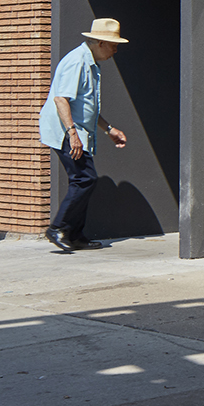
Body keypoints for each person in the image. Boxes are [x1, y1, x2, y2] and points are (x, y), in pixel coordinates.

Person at [38, 14, 128, 250]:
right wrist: (72, 134)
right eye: (113, 45)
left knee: (83, 180)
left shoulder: (91, 63)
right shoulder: (77, 61)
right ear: (100, 43)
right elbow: (61, 100)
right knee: (84, 179)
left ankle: (74, 235)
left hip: (74, 129)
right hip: (64, 130)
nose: (115, 51)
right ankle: (58, 229)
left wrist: (108, 129)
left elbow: (86, 107)